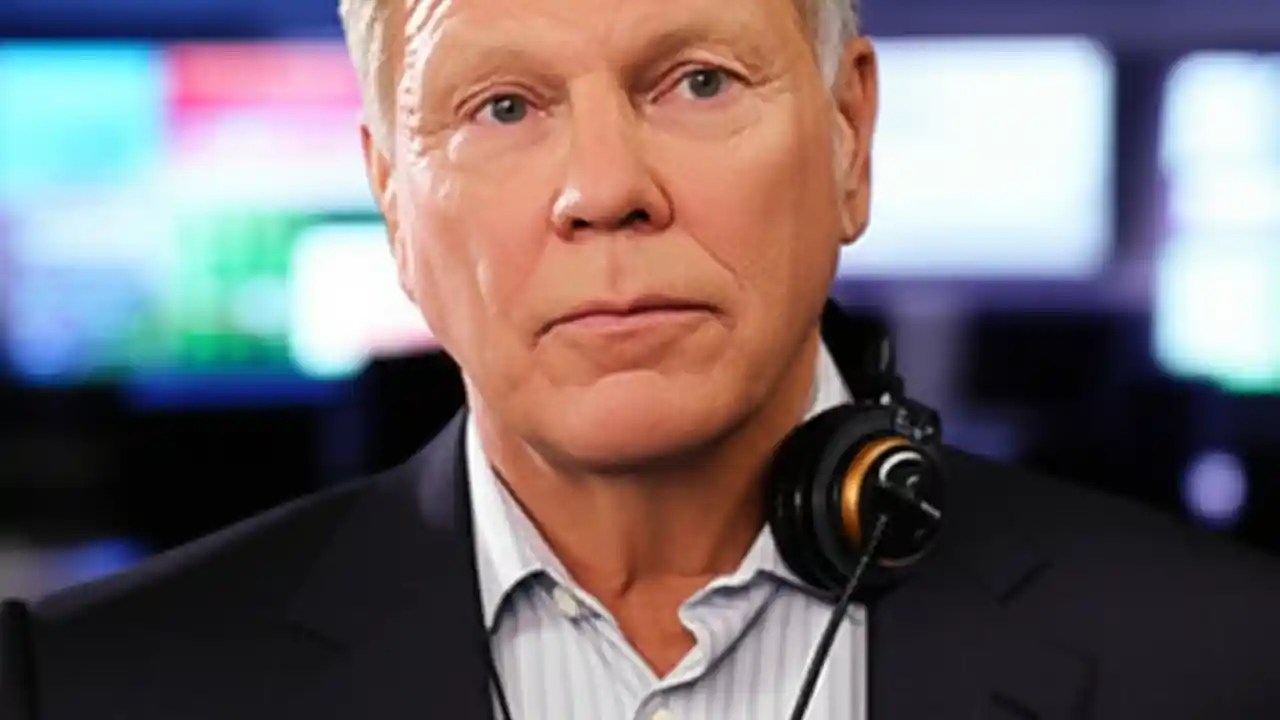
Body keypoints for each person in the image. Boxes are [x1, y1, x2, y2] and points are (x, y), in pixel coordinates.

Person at [3, 0, 1279, 717]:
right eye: (502, 108)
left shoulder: (1226, 659)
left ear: (847, 135)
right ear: (391, 195)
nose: (603, 190)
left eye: (699, 84)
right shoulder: (88, 687)